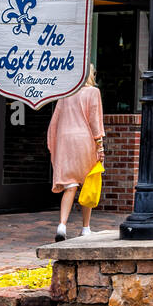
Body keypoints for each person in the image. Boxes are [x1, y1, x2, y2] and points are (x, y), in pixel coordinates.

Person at [47, 66, 105, 242]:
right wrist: (100, 146)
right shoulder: (93, 92)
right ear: (90, 75)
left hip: (65, 141)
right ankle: (86, 228)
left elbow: (54, 122)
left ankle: (62, 226)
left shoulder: (65, 94)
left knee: (70, 186)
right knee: (88, 182)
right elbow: (95, 120)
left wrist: (55, 145)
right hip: (84, 140)